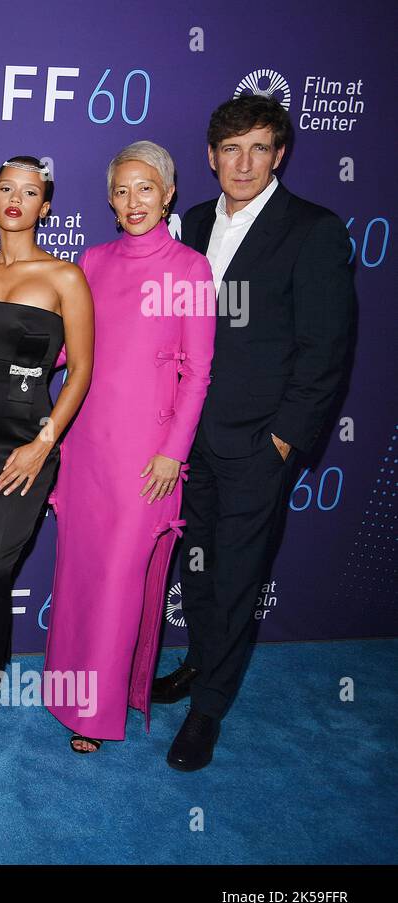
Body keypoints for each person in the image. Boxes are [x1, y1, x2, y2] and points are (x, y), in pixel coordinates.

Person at [154, 94, 355, 771]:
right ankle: (198, 663)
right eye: (231, 149)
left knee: (237, 576)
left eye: (258, 148)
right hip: (188, 441)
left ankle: (208, 709)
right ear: (211, 158)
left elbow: (325, 350)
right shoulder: (197, 221)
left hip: (256, 444)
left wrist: (283, 442)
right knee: (200, 568)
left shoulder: (312, 229)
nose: (243, 162)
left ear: (280, 154)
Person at [43, 141, 215, 753]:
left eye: (146, 188)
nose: (133, 201)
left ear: (169, 194)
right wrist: (9, 351)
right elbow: (66, 349)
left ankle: (96, 712)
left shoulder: (191, 269)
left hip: (147, 454)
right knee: (82, 574)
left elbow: (197, 372)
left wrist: (173, 451)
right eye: (121, 190)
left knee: (120, 578)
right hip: (87, 443)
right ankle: (66, 692)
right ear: (110, 200)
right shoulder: (91, 262)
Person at [0, 157, 93, 764]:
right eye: (6, 187)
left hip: (26, 444)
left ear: (45, 207)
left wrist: (44, 442)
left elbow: (82, 369)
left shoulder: (65, 279)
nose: (16, 199)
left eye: (30, 192)